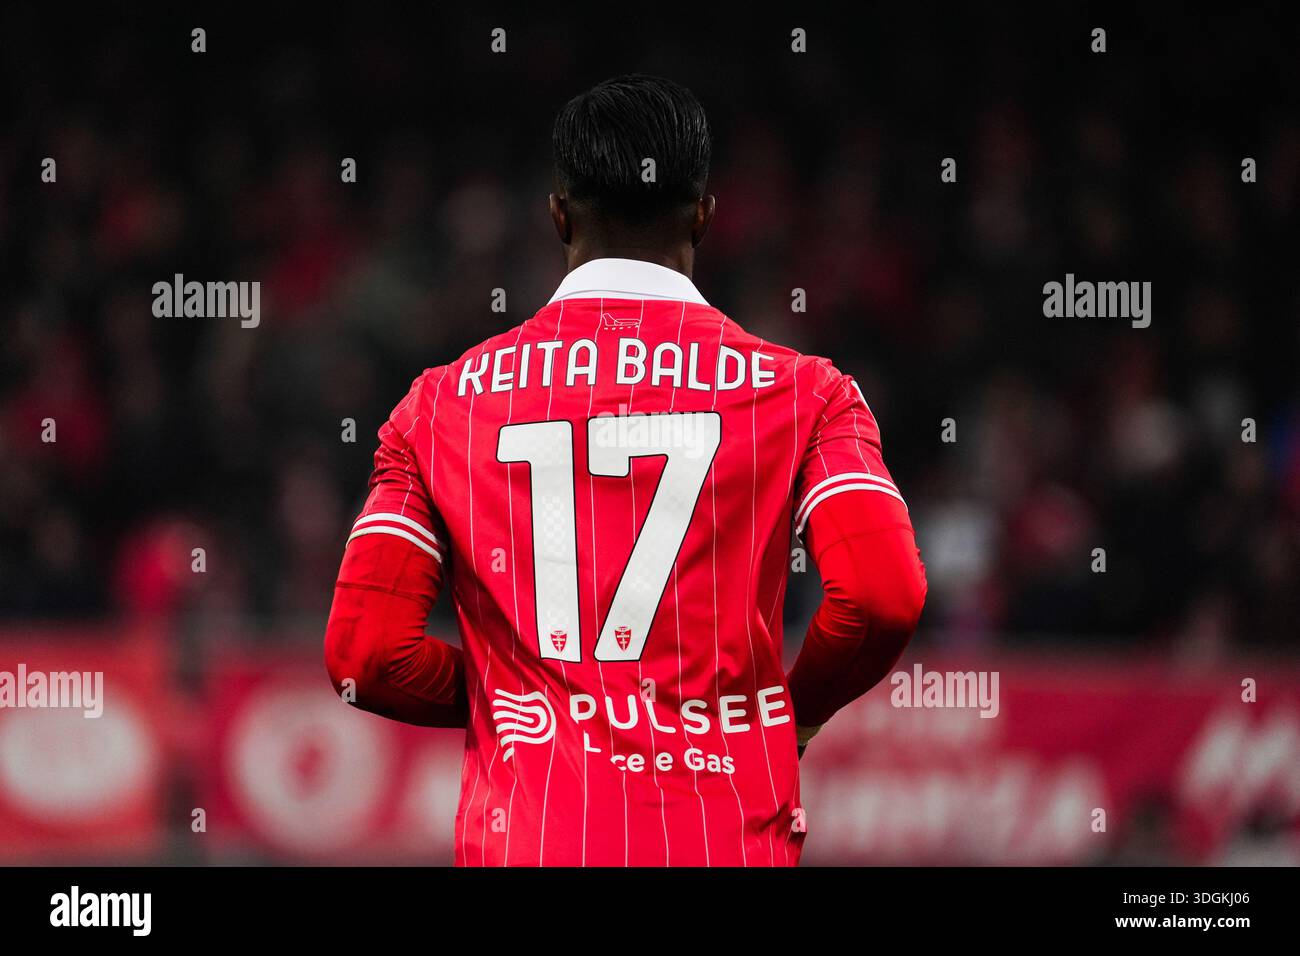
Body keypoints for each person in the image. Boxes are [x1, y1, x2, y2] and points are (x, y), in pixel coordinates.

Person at [323, 74, 926, 866]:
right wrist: (795, 710)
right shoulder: (807, 394)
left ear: (558, 212)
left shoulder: (438, 405)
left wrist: (518, 697)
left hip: (533, 843)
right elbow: (883, 597)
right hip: (723, 841)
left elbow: (365, 657)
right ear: (705, 214)